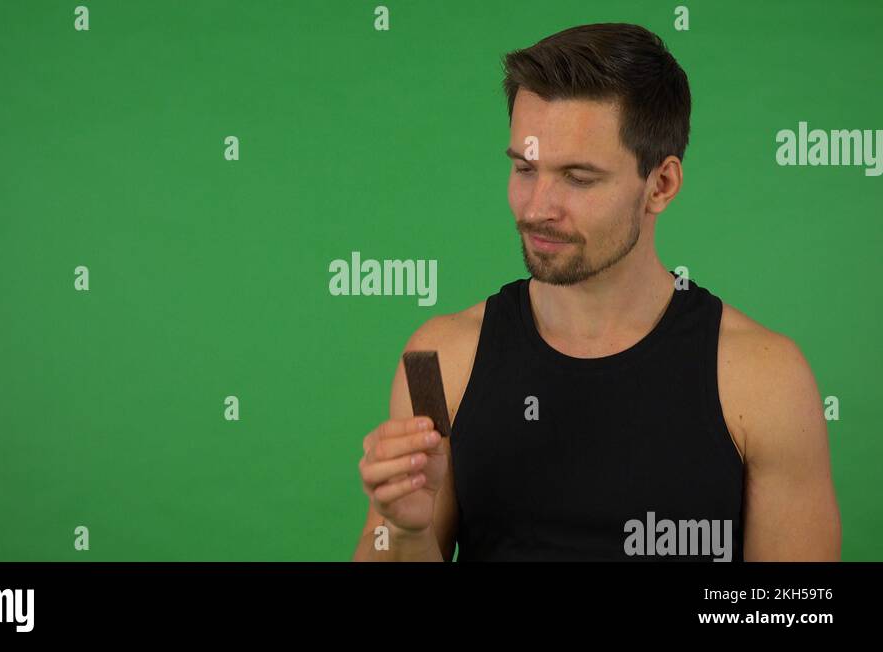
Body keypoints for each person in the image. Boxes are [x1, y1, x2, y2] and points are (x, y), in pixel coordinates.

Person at [352, 23, 841, 561]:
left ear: (661, 185)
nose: (537, 207)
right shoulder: (438, 359)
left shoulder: (767, 377)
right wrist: (405, 533)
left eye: (578, 178)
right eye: (525, 168)